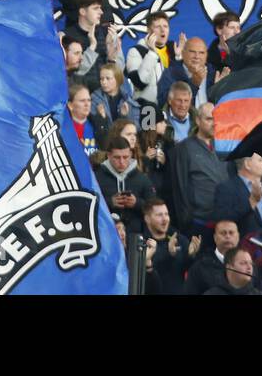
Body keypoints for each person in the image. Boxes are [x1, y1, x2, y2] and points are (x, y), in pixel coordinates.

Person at [166, 101, 227, 236]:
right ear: (198, 121)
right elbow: (179, 188)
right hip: (197, 223)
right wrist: (186, 221)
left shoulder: (223, 147)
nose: (214, 123)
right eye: (209, 119)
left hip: (222, 221)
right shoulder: (184, 149)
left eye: (217, 119)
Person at [93, 138, 156, 236]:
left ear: (131, 154)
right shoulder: (96, 178)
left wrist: (136, 203)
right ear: (109, 156)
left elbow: (154, 208)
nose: (122, 162)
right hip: (105, 234)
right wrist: (110, 202)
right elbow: (87, 205)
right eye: (117, 157)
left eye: (125, 157)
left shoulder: (142, 179)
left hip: (136, 235)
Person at [184, 219, 240, 294]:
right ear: (215, 238)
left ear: (238, 237)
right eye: (223, 233)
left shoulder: (248, 265)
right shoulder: (200, 266)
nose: (227, 236)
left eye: (231, 233)